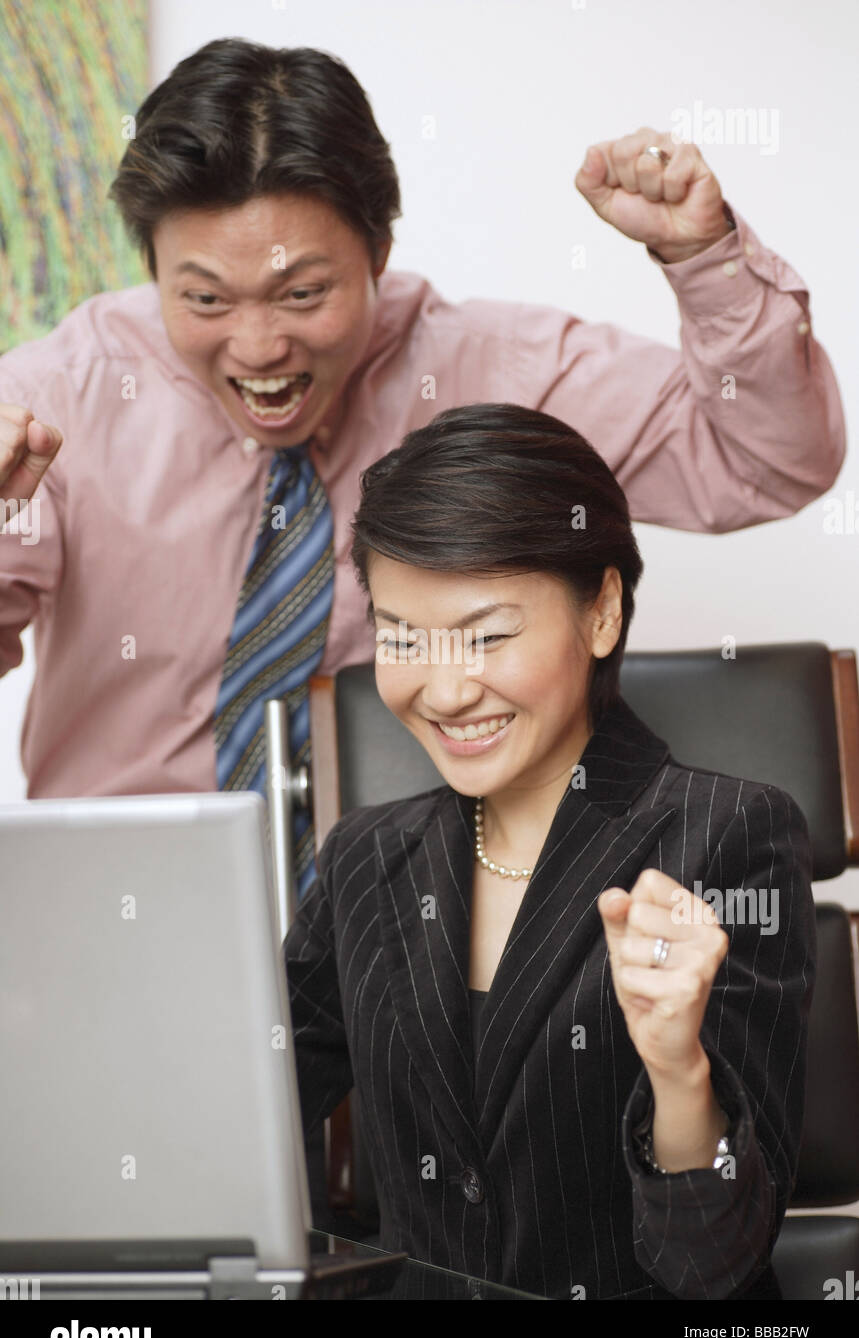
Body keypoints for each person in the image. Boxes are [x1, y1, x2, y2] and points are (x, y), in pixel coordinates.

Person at [0, 38, 844, 895]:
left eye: (302, 294)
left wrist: (706, 264)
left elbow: (767, 461)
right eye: (205, 299)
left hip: (429, 925)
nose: (258, 346)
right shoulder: (55, 401)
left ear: (379, 251)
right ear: (151, 269)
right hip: (125, 903)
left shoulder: (501, 371)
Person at [283, 402, 815, 1301]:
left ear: (600, 612)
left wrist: (677, 1071)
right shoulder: (364, 859)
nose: (445, 690)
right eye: (404, 637)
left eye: (487, 635)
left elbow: (713, 1264)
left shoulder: (726, 837)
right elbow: (242, 1117)